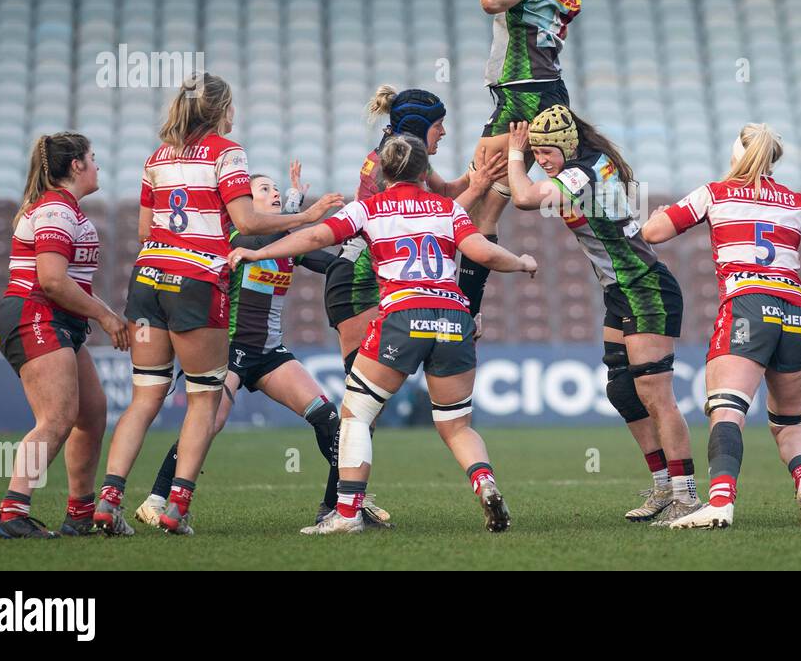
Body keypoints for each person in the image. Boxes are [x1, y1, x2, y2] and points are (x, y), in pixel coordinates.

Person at [228, 135, 537, 533]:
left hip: (404, 315)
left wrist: (257, 252)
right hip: (452, 316)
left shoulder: (369, 208)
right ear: (424, 172)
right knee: (457, 425)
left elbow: (317, 237)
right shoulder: (446, 208)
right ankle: (485, 483)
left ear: (383, 172)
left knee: (356, 414)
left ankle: (347, 512)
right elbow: (482, 252)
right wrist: (521, 261)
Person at [93, 72, 342, 536]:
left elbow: (145, 231)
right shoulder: (226, 152)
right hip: (194, 280)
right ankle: (175, 508)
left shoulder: (157, 157)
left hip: (147, 278)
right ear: (223, 110)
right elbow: (245, 219)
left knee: (144, 398)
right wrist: (307, 214)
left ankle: (108, 501)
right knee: (203, 401)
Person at [639, 123, 801, 529]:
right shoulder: (799, 203)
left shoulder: (715, 193)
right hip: (797, 312)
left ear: (736, 155)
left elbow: (653, 234)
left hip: (748, 304)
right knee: (789, 423)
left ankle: (719, 502)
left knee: (727, 410)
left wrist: (656, 216)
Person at [133, 165, 390, 531]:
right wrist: (298, 209)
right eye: (264, 189)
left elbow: (332, 264)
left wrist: (367, 253)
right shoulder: (235, 235)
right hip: (229, 350)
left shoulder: (286, 245)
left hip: (269, 354)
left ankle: (336, 507)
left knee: (329, 418)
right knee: (209, 422)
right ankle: (157, 499)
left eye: (274, 189)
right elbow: (258, 243)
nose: (273, 193)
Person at [507, 106, 701, 524]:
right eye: (536, 153)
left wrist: (513, 151)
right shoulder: (585, 164)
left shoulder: (584, 170)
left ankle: (686, 496)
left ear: (569, 146)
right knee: (622, 390)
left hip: (646, 288)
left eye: (547, 152)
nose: (541, 160)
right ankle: (664, 486)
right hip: (621, 291)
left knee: (656, 395)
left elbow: (524, 198)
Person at [0, 133, 130, 538]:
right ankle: (12, 514)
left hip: (53, 317)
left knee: (91, 414)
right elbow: (51, 281)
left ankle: (79, 515)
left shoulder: (65, 209)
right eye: (93, 158)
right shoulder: (55, 210)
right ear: (76, 166)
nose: (98, 165)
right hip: (36, 312)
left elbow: (69, 283)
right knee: (56, 418)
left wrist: (104, 313)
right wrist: (105, 317)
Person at [325, 86, 502, 379]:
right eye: (437, 126)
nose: (443, 132)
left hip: (375, 272)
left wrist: (476, 172)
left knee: (368, 398)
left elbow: (444, 192)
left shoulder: (403, 153)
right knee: (362, 390)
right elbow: (431, 224)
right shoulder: (388, 164)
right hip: (356, 281)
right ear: (418, 127)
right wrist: (478, 188)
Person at [459, 0, 582, 319]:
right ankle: (468, 310)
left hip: (522, 95)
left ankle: (461, 308)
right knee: (487, 208)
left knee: (474, 204)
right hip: (550, 92)